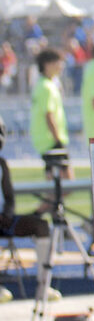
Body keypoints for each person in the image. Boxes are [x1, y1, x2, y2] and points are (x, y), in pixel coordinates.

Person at [0, 115, 54, 303]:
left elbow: (9, 198)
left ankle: (43, 286)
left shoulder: (2, 164)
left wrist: (7, 213)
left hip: (4, 220)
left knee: (41, 226)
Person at [30, 49, 73, 181]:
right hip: (51, 142)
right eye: (58, 62)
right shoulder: (46, 87)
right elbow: (49, 115)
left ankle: (52, 202)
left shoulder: (45, 84)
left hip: (48, 141)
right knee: (65, 184)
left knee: (57, 189)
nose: (61, 66)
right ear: (47, 64)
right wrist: (58, 141)